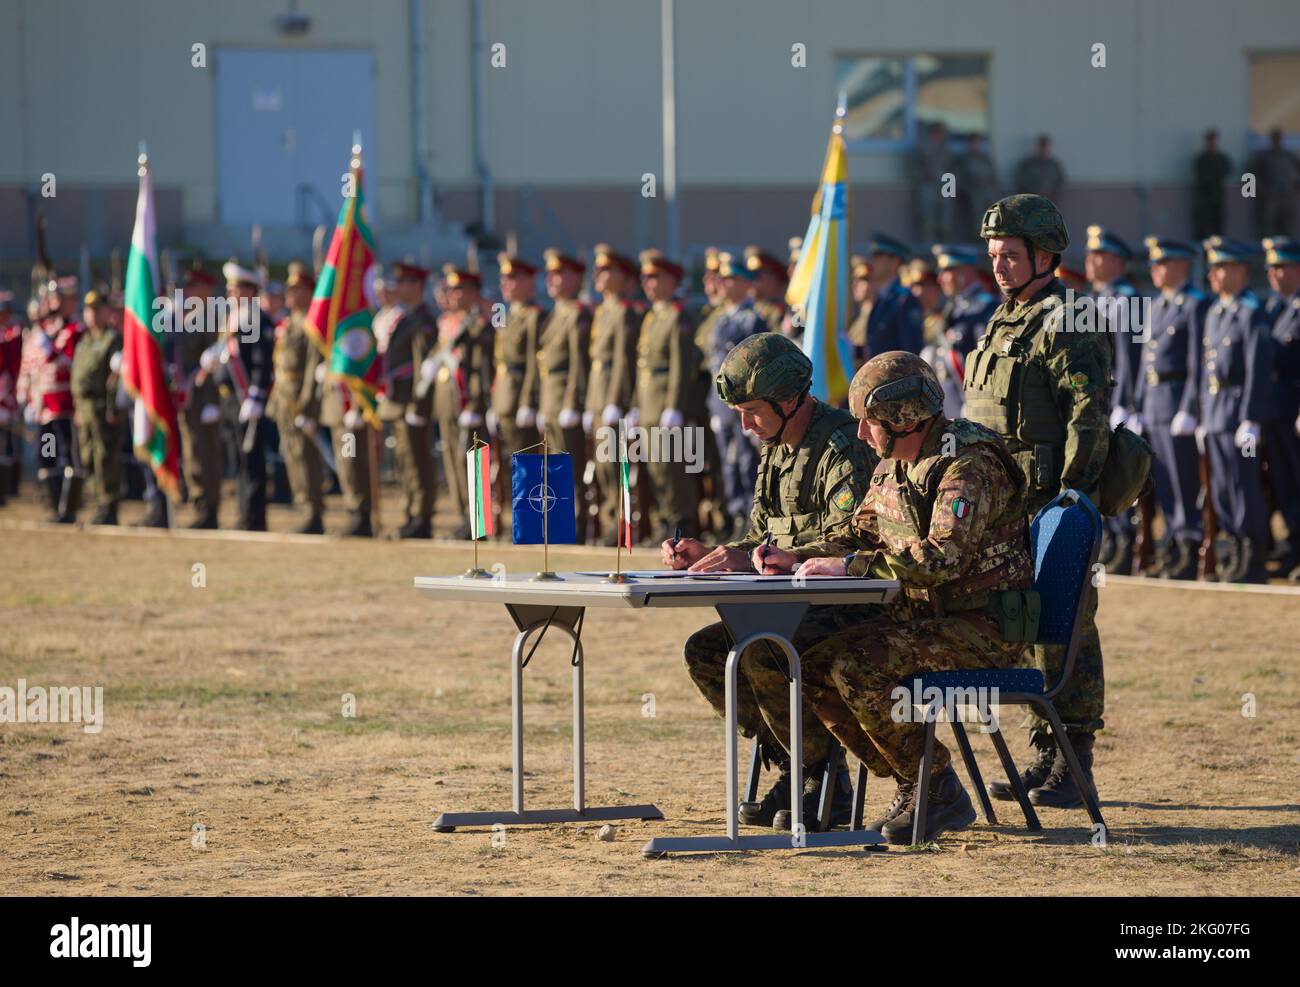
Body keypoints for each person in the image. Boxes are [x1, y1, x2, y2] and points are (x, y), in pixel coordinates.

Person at [757, 351, 1035, 844]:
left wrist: (847, 568)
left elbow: (941, 559)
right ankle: (907, 777)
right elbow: (858, 535)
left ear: (902, 419)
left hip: (986, 629)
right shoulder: (895, 463)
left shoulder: (968, 463)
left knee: (857, 667)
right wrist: (795, 556)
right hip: (927, 620)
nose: (861, 434)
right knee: (808, 664)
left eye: (869, 422)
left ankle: (935, 787)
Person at [664, 332, 878, 833]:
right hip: (793, 609)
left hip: (851, 608)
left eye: (753, 411)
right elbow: (762, 536)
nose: (744, 424)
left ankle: (823, 778)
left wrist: (786, 556)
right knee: (707, 652)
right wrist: (719, 553)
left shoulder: (843, 446)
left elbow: (855, 541)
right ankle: (793, 762)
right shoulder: (775, 447)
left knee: (763, 652)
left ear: (789, 400)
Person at [963, 193, 1112, 810]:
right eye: (994, 255)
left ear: (1045, 256)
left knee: (1066, 622)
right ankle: (1045, 751)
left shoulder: (1067, 319)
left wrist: (1073, 496)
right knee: (1025, 625)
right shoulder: (1003, 317)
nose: (999, 266)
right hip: (1002, 503)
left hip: (1046, 499)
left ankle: (1074, 759)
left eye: (1011, 255)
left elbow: (1088, 414)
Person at [1196, 238, 1275, 583]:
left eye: (1221, 267)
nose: (1213, 274)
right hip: (1215, 413)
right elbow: (1206, 368)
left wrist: (1251, 417)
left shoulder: (1251, 310)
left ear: (1241, 271)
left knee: (1244, 486)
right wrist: (1201, 415)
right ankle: (1232, 548)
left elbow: (1258, 367)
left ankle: (1252, 555)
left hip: (1238, 412)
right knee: (1222, 486)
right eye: (1212, 268)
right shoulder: (1216, 311)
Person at [1132, 238, 1209, 580]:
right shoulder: (1158, 305)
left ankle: (1190, 545)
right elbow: (1145, 361)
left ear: (1181, 266)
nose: (1155, 269)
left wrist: (1190, 407)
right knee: (1163, 478)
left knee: (1184, 479)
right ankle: (1174, 542)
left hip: (1177, 399)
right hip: (1155, 400)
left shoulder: (1194, 304)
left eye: (1162, 263)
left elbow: (1197, 363)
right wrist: (1137, 404)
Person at [1085, 225, 1140, 573]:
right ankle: (1112, 536)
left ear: (1117, 261)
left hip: (1116, 400)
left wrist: (1128, 402)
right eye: (1091, 255)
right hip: (1095, 402)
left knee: (1121, 473)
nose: (1091, 262)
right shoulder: (1094, 300)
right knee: (1100, 475)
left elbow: (1131, 357)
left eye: (1099, 255)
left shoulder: (1127, 299)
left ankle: (1127, 539)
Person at [424, 264, 493, 539]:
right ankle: (463, 513)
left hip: (469, 404)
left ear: (473, 292)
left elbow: (483, 368)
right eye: (449, 289)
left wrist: (476, 404)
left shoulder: (480, 325)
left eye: (458, 289)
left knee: (473, 461)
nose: (452, 294)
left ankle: (479, 521)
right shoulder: (448, 323)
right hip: (447, 400)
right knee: (453, 460)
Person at [635, 249, 699, 539]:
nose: (648, 283)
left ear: (671, 281)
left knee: (673, 469)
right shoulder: (652, 316)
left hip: (665, 403)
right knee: (656, 468)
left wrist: (674, 405)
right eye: (645, 278)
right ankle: (665, 519)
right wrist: (636, 403)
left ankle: (681, 522)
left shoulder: (677, 316)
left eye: (654, 278)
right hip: (649, 403)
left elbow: (680, 365)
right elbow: (642, 366)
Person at [704, 252, 767, 536]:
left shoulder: (751, 320)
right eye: (724, 279)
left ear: (745, 283)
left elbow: (754, 366)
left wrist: (750, 406)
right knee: (728, 464)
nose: (725, 284)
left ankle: (749, 517)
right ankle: (734, 514)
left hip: (743, 404)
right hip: (721, 404)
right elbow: (714, 363)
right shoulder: (721, 318)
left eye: (732, 279)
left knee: (745, 462)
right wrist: (714, 404)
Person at [584, 245, 641, 544]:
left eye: (606, 270)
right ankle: (608, 517)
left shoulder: (624, 313)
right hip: (597, 394)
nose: (598, 275)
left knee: (613, 463)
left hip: (611, 396)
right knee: (600, 464)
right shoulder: (602, 310)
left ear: (622, 277)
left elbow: (621, 360)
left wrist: (615, 400)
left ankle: (619, 520)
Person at [213, 261, 275, 531]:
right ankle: (243, 512)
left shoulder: (256, 318)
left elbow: (262, 361)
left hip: (248, 399)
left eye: (234, 288)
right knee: (237, 460)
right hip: (231, 400)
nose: (230, 293)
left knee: (252, 461)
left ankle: (254, 517)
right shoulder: (234, 317)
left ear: (249, 290)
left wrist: (256, 396)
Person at [379, 260, 437, 539]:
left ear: (417, 287)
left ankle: (422, 516)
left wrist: (418, 405)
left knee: (418, 461)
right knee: (403, 460)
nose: (398, 287)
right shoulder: (405, 317)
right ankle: (411, 513)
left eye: (404, 283)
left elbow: (421, 368)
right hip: (398, 403)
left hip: (411, 403)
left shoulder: (423, 320)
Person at [267, 262, 326, 534]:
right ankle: (303, 506)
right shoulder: (288, 323)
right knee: (291, 454)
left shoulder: (309, 325)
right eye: (288, 289)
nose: (289, 294)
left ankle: (313, 512)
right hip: (283, 400)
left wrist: (306, 406)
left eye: (296, 289)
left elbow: (314, 367)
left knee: (305, 457)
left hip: (299, 402)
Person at [19, 277, 83, 523]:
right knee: (48, 455)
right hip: (45, 407)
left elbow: (65, 360)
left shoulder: (74, 330)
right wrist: (27, 395)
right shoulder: (43, 330)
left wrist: (50, 346)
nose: (55, 303)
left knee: (68, 455)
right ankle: (55, 506)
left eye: (61, 298)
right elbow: (32, 365)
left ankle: (68, 509)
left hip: (66, 405)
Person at [537, 249, 592, 535]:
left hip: (564, 400)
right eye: (550, 273)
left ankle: (577, 521)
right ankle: (558, 519)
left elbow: (577, 364)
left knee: (571, 464)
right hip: (549, 398)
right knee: (553, 465)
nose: (551, 279)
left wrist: (572, 401)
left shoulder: (577, 313)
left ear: (576, 278)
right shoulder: (555, 313)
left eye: (559, 273)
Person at [491, 253, 544, 530]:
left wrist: (528, 401)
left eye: (513, 278)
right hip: (504, 397)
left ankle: (531, 519)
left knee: (527, 461)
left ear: (528, 282)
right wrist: (495, 400)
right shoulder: (506, 316)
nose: (506, 284)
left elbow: (535, 364)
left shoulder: (533, 316)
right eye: (503, 278)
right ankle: (518, 517)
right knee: (509, 461)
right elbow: (499, 363)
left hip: (520, 396)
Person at [1261, 237, 1300, 580]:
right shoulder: (1274, 308)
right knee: (1284, 483)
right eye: (1271, 267)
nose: (1274, 273)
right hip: (1275, 411)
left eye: (1282, 266)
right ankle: (1292, 547)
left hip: (1295, 411)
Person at [174, 264, 224, 529]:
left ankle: (209, 509)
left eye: (193, 286)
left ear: (206, 290)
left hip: (205, 399)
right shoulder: (184, 318)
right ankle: (198, 503)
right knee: (190, 451)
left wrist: (211, 403)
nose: (188, 291)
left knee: (205, 454)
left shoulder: (213, 318)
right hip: (187, 398)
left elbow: (214, 363)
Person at [70, 289, 123, 525]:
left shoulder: (112, 339)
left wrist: (113, 408)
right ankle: (97, 502)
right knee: (88, 457)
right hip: (86, 408)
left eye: (96, 310)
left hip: (103, 409)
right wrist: (78, 409)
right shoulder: (85, 340)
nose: (91, 314)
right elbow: (78, 377)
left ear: (107, 312)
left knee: (105, 457)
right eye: (88, 310)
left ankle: (109, 505)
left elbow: (115, 378)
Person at [927, 244, 998, 417]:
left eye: (947, 271)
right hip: (951, 399)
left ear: (964, 271)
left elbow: (988, 360)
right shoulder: (955, 308)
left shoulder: (984, 307)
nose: (940, 278)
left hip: (973, 402)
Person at [846, 234, 924, 363]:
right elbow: (876, 346)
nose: (873, 261)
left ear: (894, 261)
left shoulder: (904, 300)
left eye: (878, 256)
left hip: (896, 379)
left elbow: (911, 351)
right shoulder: (882, 299)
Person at [1245, 128, 1300, 238]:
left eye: (1279, 138)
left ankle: (1287, 250)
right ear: (1271, 139)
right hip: (1270, 197)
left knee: (1288, 226)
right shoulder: (1263, 156)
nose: (1277, 141)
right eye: (1275, 138)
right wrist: (1256, 191)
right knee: (1268, 226)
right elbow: (1249, 174)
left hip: (1288, 197)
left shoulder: (1289, 156)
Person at [912, 121, 956, 244]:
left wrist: (952, 186)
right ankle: (929, 246)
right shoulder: (922, 145)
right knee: (928, 216)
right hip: (927, 183)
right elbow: (914, 166)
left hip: (946, 183)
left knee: (947, 215)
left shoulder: (946, 146)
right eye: (941, 131)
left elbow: (952, 167)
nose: (943, 134)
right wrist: (923, 174)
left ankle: (947, 244)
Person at [0, 292, 22, 506]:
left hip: (7, 399)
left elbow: (10, 361)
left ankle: (7, 490)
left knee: (7, 446)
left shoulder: (13, 332)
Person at [957, 134, 999, 240]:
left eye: (978, 143)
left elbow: (993, 176)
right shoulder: (963, 159)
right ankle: (976, 239)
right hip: (971, 193)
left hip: (987, 192)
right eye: (973, 143)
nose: (976, 145)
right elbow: (958, 177)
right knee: (975, 218)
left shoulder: (985, 158)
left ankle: (989, 237)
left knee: (991, 215)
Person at [1192, 129, 1232, 239]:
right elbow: (1199, 176)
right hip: (1204, 197)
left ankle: (1219, 250)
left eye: (1213, 140)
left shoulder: (1222, 158)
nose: (1211, 143)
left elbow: (1226, 172)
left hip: (1218, 196)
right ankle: (1202, 251)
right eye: (1209, 140)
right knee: (1202, 226)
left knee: (1218, 226)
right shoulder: (1201, 159)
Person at [745, 247, 790, 335]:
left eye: (757, 275)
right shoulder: (747, 309)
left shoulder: (780, 311)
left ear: (775, 279)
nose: (752, 280)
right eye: (750, 275)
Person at [1013, 134, 1066, 201]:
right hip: (1032, 201)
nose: (1043, 149)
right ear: (1037, 146)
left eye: (1045, 146)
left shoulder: (1054, 165)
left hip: (1050, 201)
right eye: (1041, 146)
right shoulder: (1028, 164)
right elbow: (1022, 182)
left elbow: (1060, 182)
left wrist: (1053, 195)